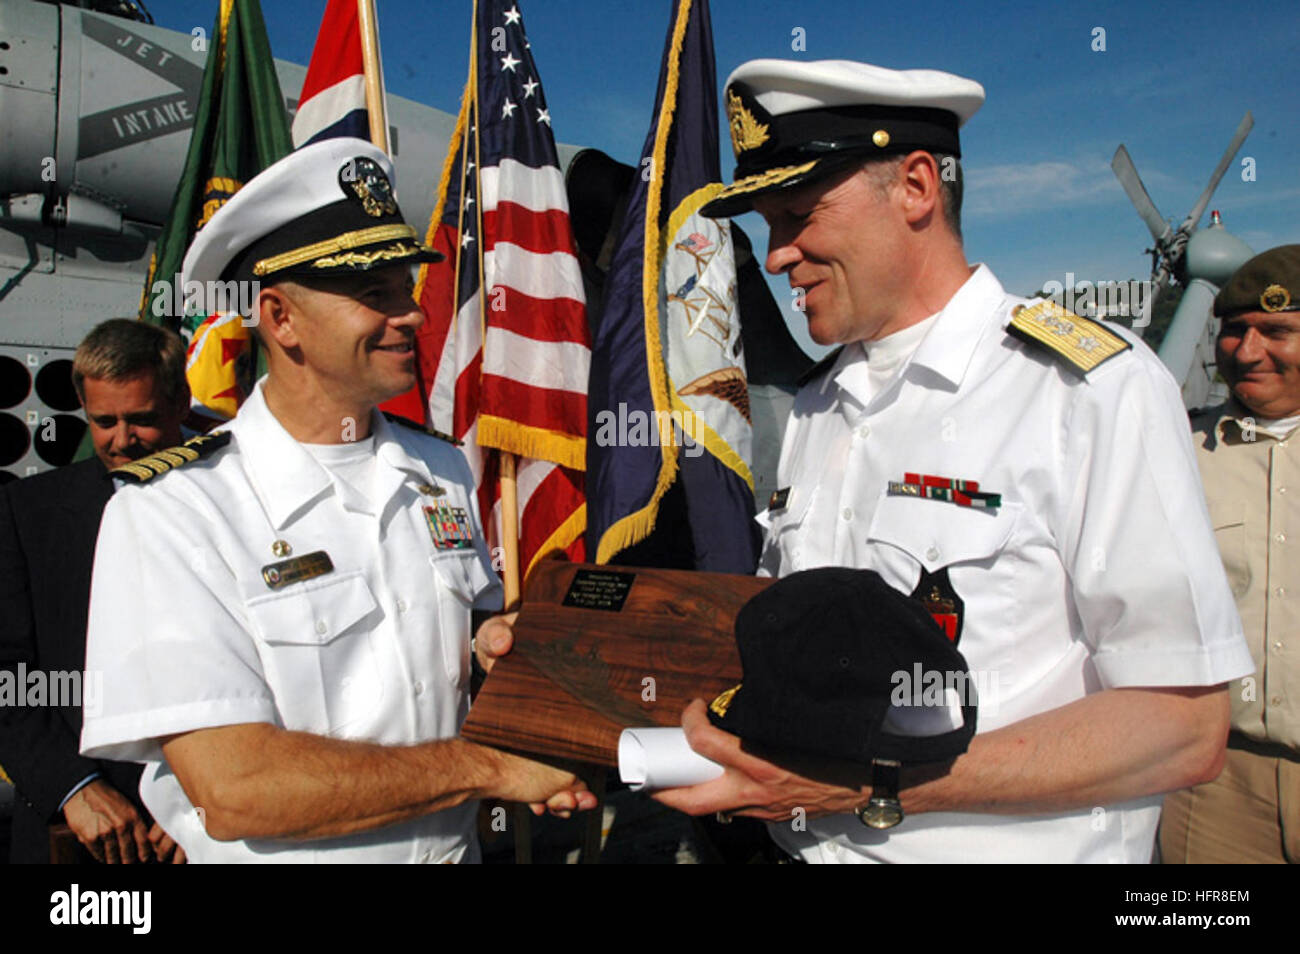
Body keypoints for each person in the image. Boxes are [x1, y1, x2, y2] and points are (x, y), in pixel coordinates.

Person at [649, 59, 1253, 863]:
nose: (777, 254)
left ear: (917, 188)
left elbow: (1182, 729)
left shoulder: (1086, 391)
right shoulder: (820, 406)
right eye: (766, 226)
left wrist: (877, 784)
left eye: (797, 213)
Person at [79, 137, 594, 864]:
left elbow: (468, 649)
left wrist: (494, 647)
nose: (411, 314)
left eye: (405, 288)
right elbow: (236, 790)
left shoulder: (439, 467)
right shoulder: (174, 510)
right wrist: (492, 769)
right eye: (373, 292)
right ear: (280, 317)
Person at [0, 319, 190, 863]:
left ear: (182, 401)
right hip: (80, 834)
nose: (121, 439)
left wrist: (205, 796)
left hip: (218, 825)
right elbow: (8, 673)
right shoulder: (27, 514)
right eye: (103, 421)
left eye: (142, 419)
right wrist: (71, 786)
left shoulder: (248, 504)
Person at [1160, 244, 1300, 863]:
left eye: (1277, 332)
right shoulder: (1174, 453)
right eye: (1234, 331)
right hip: (1216, 782)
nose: (1247, 352)